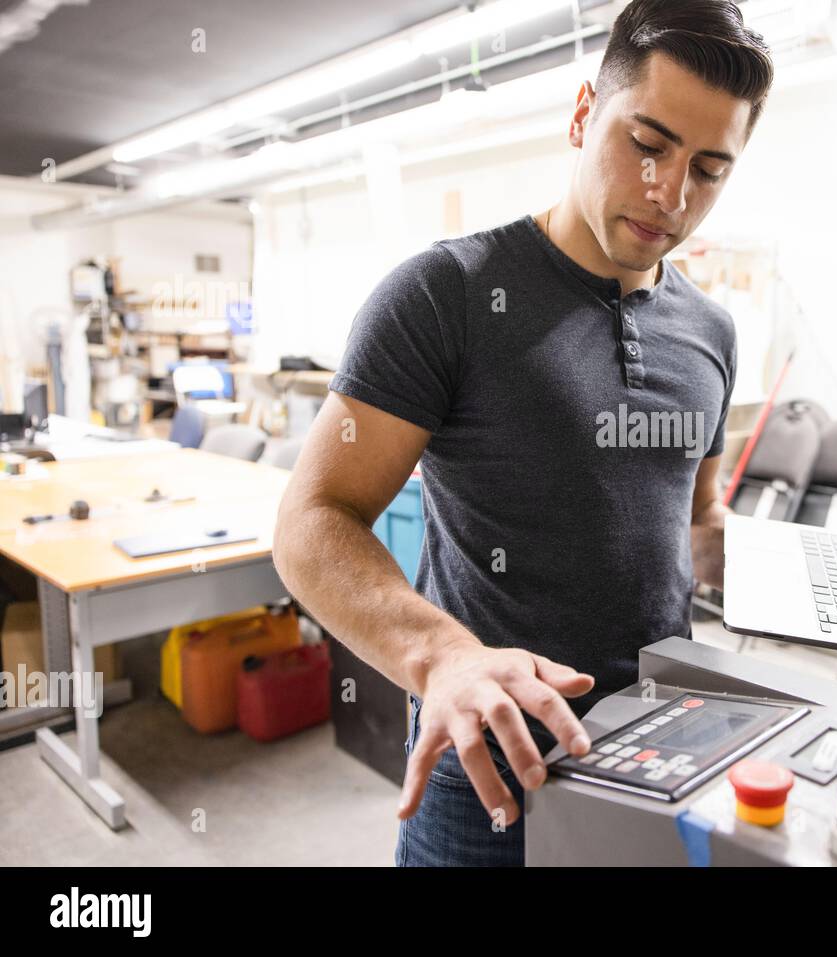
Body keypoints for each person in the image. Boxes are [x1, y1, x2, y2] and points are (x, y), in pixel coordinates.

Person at [272, 0, 774, 867]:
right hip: (490, 772)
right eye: (646, 144)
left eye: (709, 168)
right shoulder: (447, 295)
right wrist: (440, 657)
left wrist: (800, 582)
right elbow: (311, 521)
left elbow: (696, 519)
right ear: (584, 115)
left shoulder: (714, 334)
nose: (671, 193)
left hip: (663, 753)